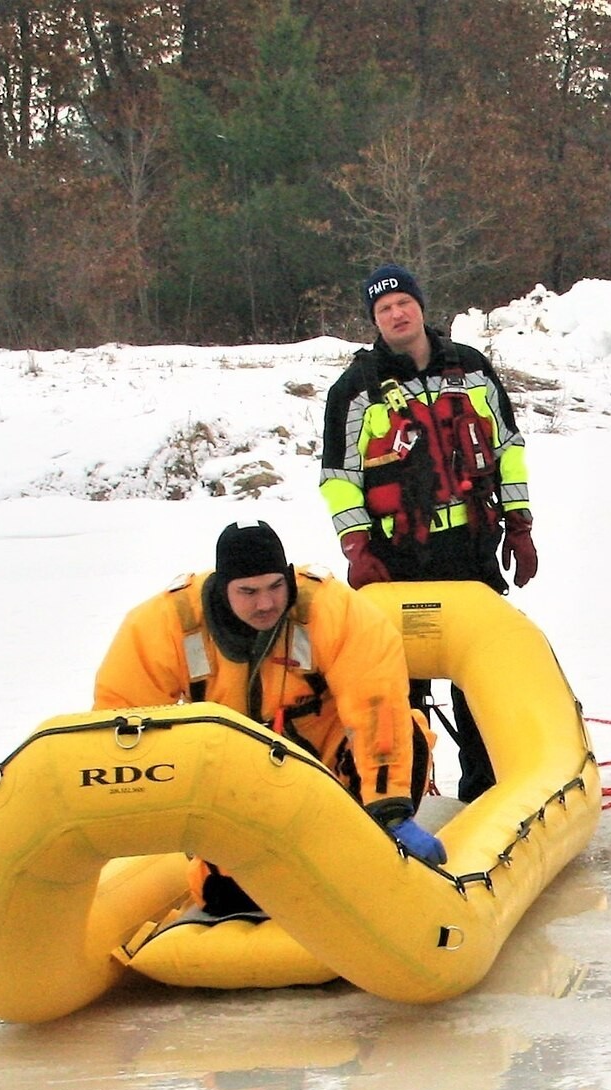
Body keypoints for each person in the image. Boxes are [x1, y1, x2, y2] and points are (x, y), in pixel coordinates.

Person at [94, 521, 446, 912]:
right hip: (241, 777)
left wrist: (390, 808)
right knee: (224, 897)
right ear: (223, 587)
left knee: (367, 846)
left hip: (331, 766)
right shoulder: (168, 623)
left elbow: (377, 707)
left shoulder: (331, 610)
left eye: (275, 587)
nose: (265, 603)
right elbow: (122, 724)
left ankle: (368, 850)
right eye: (248, 592)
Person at [321, 263, 534, 802]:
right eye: (384, 308)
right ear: (374, 320)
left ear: (420, 306)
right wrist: (356, 546)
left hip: (471, 549)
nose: (396, 313)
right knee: (399, 685)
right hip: (399, 557)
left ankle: (486, 793)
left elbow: (507, 448)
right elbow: (339, 478)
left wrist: (520, 523)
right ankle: (399, 796)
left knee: (476, 677)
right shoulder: (354, 390)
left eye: (403, 303)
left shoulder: (471, 367)